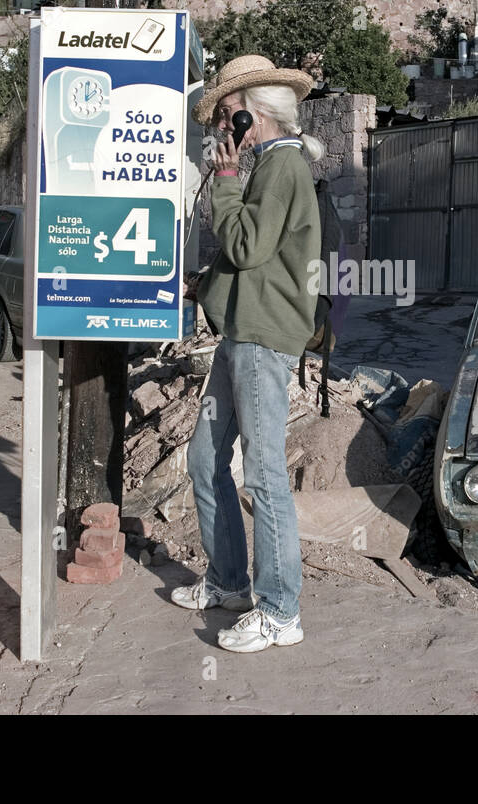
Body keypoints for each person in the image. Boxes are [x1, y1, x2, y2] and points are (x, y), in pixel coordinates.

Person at [171, 55, 323, 653]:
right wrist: (204, 285)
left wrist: (226, 181)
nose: (221, 130)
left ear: (252, 116)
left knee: (263, 478)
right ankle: (230, 582)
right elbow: (245, 262)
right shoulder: (269, 167)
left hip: (262, 341)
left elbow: (245, 243)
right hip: (240, 331)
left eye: (228, 116)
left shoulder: (282, 167)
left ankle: (281, 611)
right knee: (205, 460)